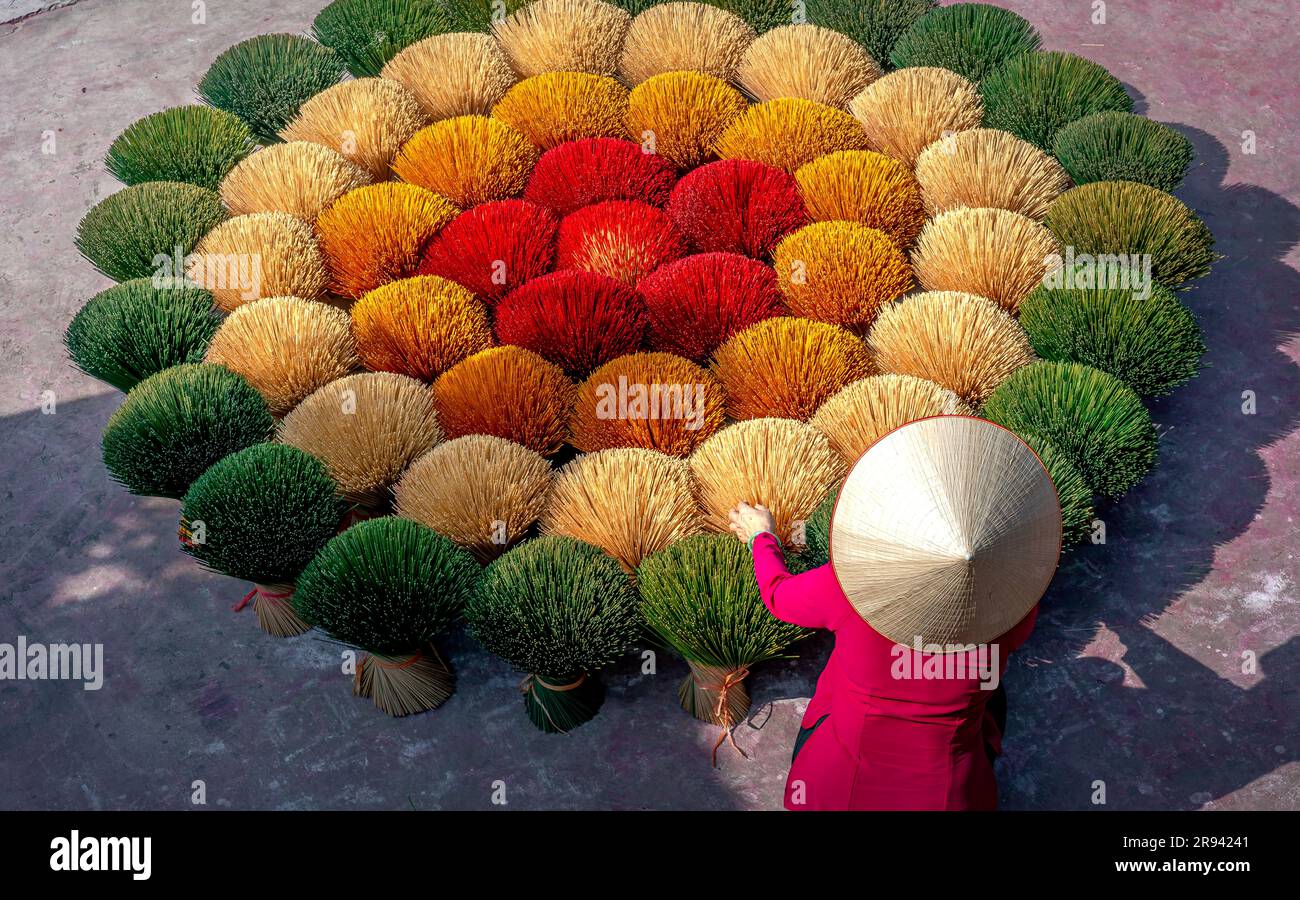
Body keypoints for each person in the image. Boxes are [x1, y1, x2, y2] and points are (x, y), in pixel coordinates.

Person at [728, 500, 1038, 811]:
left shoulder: (853, 584)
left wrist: (762, 536)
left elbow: (779, 595)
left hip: (840, 789)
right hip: (952, 795)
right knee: (993, 687)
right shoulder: (1012, 601)